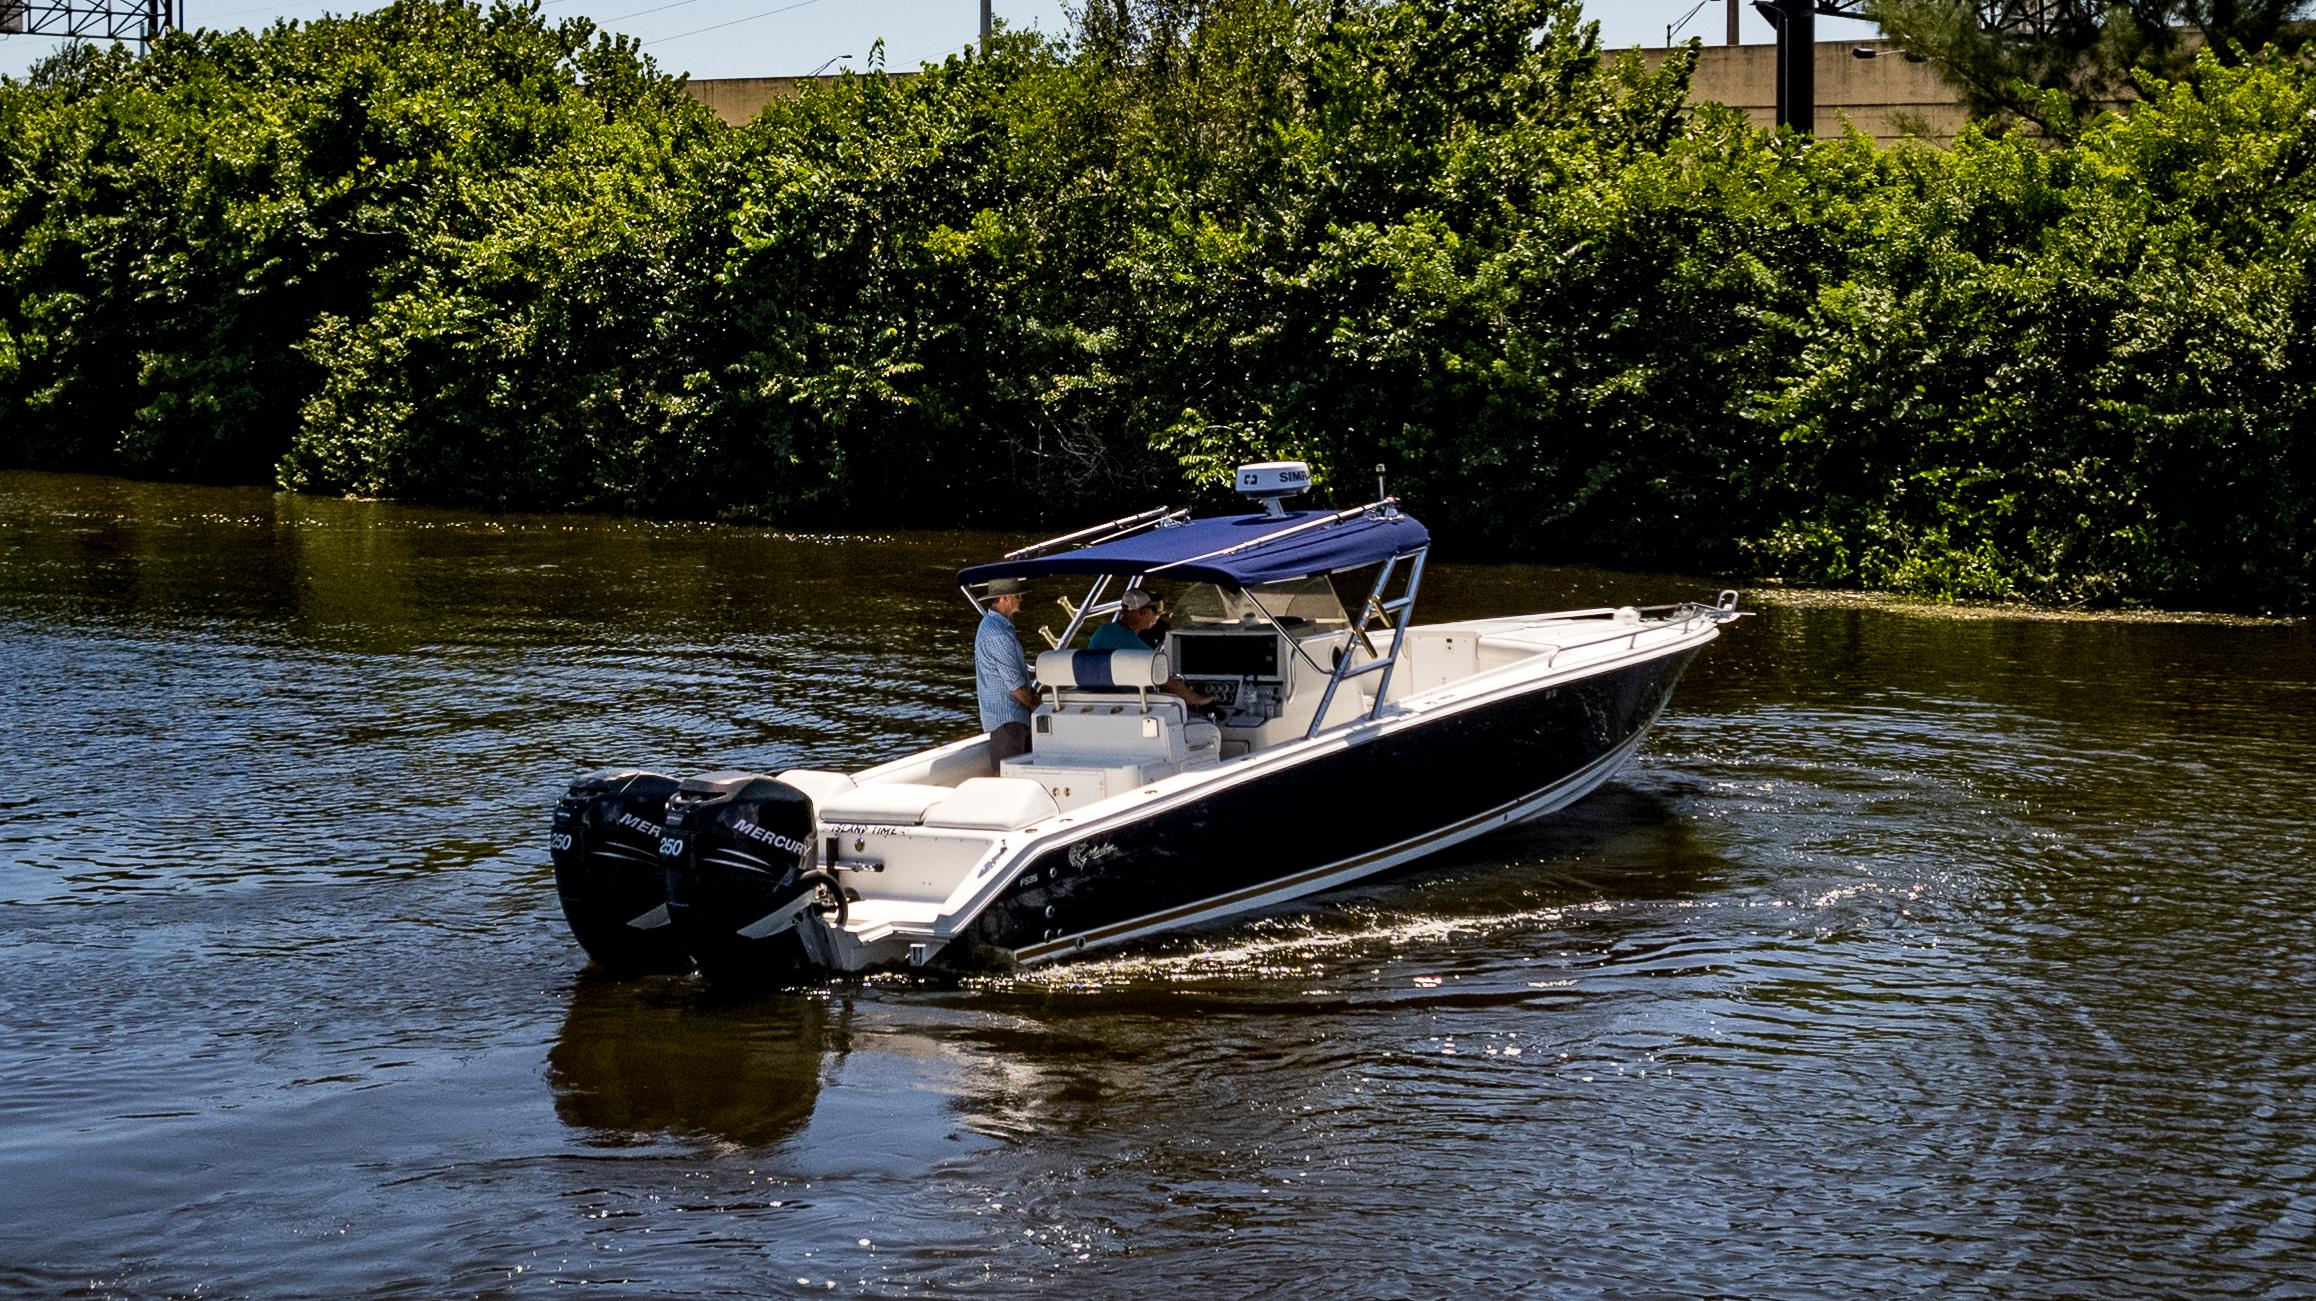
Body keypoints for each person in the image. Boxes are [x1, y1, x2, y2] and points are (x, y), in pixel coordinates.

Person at [1089, 588, 1216, 712]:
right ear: (1141, 611)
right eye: (1156, 610)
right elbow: (1165, 680)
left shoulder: (1105, 630)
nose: (1159, 615)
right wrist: (1197, 700)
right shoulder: (1132, 644)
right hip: (1117, 701)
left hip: (1093, 696)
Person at [975, 577, 1039, 765]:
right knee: (1006, 773)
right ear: (1004, 598)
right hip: (1007, 717)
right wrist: (1036, 707)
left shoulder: (997, 626)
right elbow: (1015, 685)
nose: (1021, 599)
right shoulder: (998, 634)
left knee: (1015, 771)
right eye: (1017, 595)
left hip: (1011, 717)